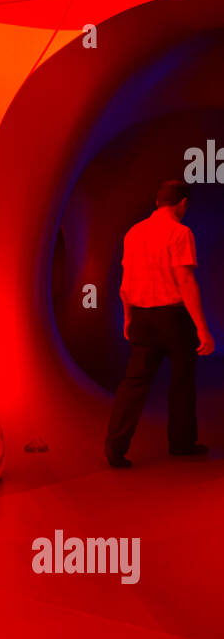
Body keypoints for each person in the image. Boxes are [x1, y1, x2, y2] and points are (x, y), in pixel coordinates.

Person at [105, 181, 215, 468]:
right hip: (174, 318)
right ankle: (181, 443)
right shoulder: (180, 232)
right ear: (183, 203)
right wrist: (202, 328)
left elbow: (126, 283)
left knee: (134, 383)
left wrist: (128, 317)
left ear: (157, 203)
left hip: (142, 317)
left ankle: (115, 448)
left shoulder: (134, 232)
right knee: (182, 382)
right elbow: (185, 281)